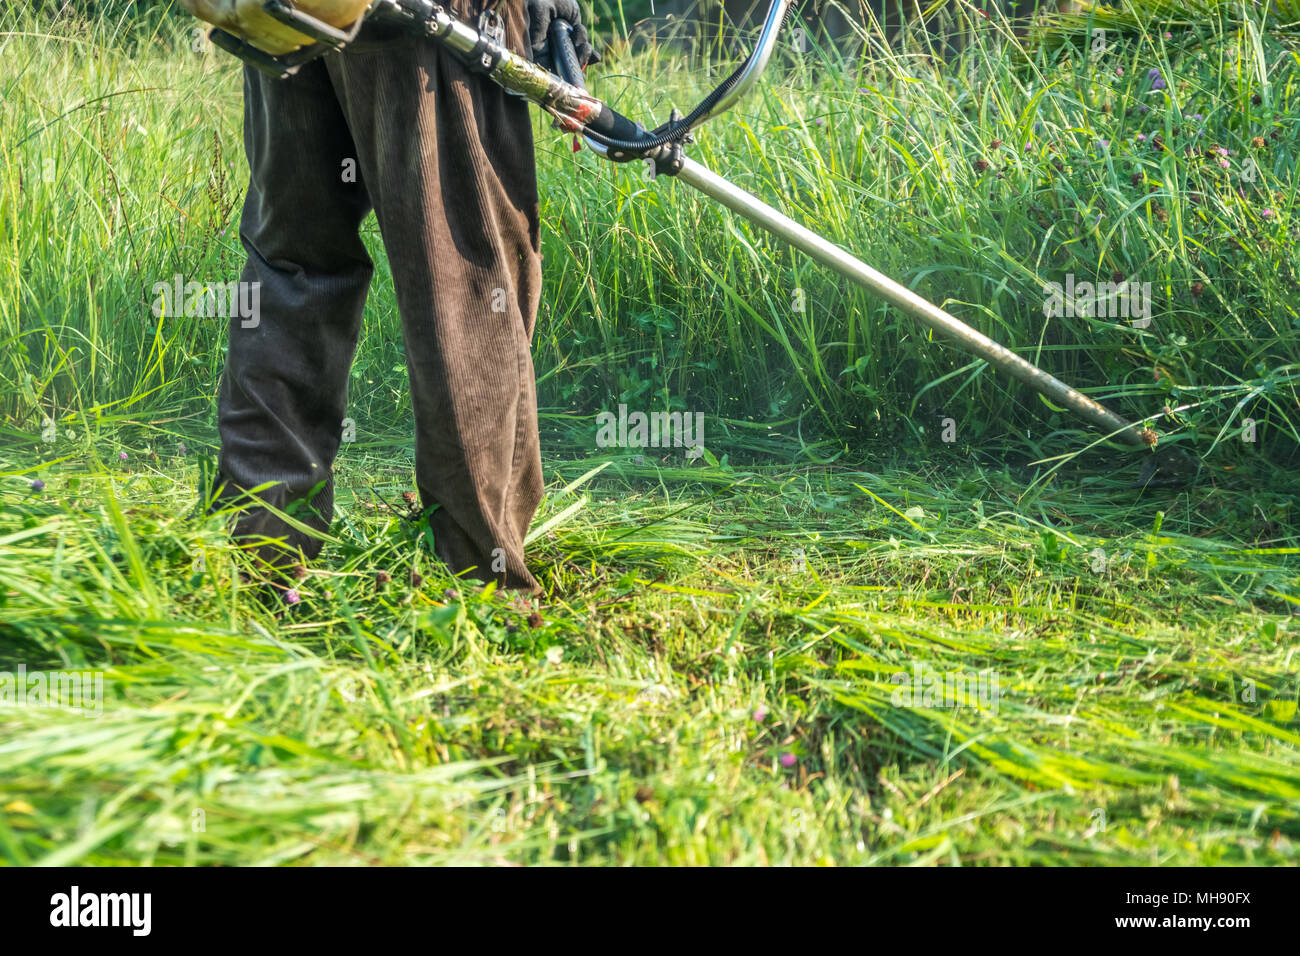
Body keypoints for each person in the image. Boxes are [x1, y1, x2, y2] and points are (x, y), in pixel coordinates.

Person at [203, 0, 599, 599]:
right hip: (429, 22)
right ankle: (481, 590)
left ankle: (259, 556)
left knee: (293, 268)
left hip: (288, 16)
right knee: (465, 281)